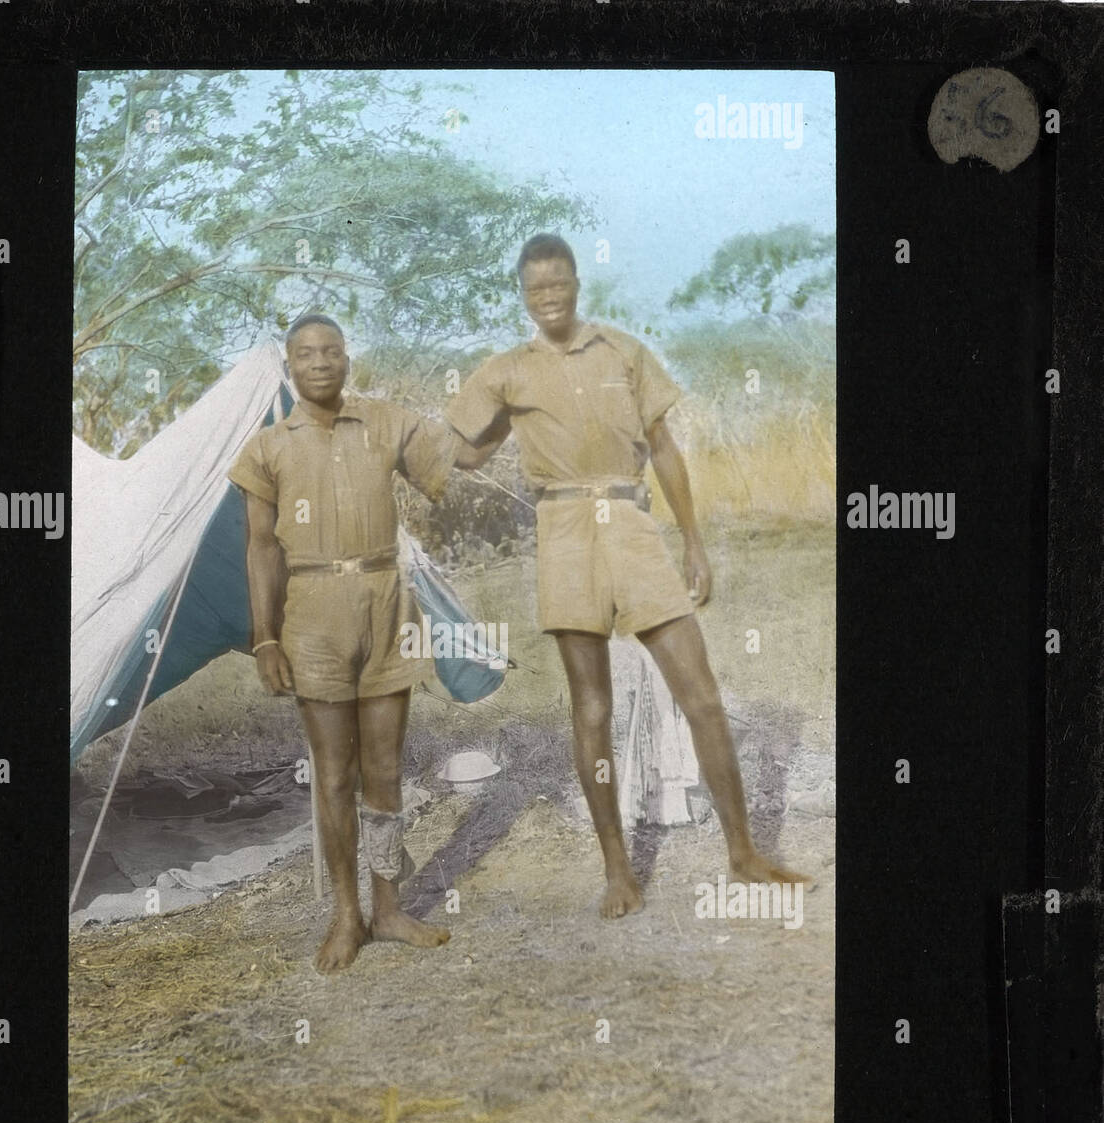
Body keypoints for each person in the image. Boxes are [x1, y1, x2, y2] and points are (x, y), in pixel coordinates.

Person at [447, 234, 808, 919]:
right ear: (523, 297)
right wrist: (445, 440)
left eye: (558, 283)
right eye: (535, 289)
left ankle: (744, 853)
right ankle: (618, 872)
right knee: (592, 709)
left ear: (577, 283)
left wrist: (694, 542)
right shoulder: (507, 370)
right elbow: (465, 453)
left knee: (700, 694)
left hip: (634, 525)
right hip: (563, 534)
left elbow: (665, 449)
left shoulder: (624, 352)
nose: (548, 297)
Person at [230, 314, 494, 972]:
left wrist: (509, 404)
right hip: (313, 612)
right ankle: (346, 915)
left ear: (348, 358)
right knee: (335, 773)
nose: (319, 363)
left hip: (387, 601)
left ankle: (389, 908)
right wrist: (265, 639)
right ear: (289, 368)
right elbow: (260, 548)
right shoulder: (265, 448)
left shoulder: (386, 422)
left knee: (383, 770)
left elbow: (462, 453)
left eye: (330, 352)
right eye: (305, 355)